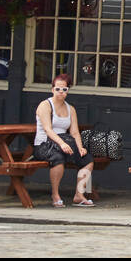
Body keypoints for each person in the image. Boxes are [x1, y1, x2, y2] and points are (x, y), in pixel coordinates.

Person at [33, 73, 95, 206]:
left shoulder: (70, 108)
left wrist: (80, 147)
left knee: (87, 160)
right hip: (44, 145)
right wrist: (62, 144)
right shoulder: (45, 105)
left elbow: (74, 132)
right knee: (58, 158)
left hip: (65, 143)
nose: (61, 92)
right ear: (52, 89)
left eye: (64, 89)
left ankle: (79, 194)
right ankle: (55, 195)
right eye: (57, 89)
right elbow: (48, 130)